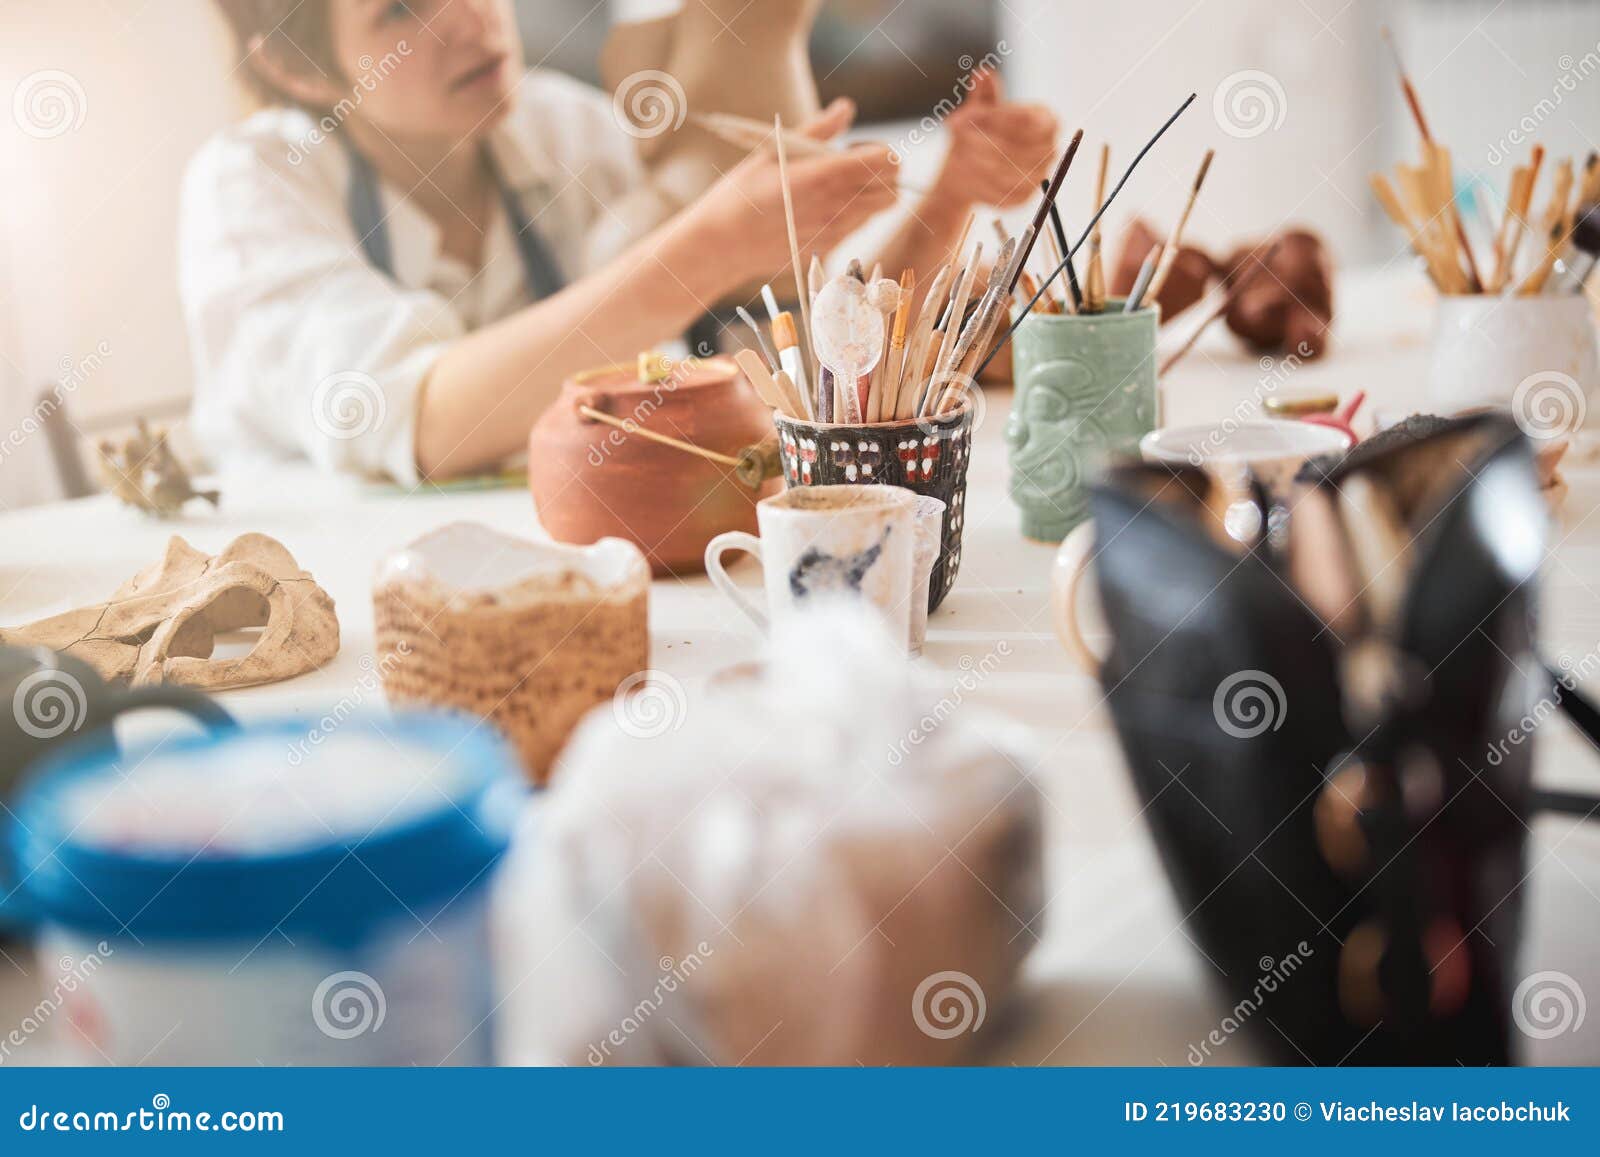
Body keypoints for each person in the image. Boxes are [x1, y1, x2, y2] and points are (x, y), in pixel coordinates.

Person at [185, 0, 1058, 482]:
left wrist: (948, 201)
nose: (469, 19)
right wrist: (704, 249)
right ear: (296, 67)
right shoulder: (251, 189)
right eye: (400, 11)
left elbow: (791, 378)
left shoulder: (565, 130)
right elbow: (419, 419)